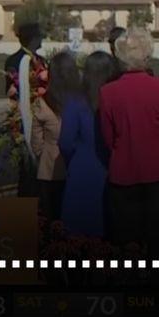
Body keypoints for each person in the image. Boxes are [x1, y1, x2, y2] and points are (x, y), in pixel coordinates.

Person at [100, 28, 159, 257]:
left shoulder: (107, 92)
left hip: (123, 173)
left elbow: (108, 138)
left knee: (127, 243)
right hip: (158, 170)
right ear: (147, 54)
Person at [61, 51, 114, 237]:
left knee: (79, 233)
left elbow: (65, 142)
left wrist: (72, 161)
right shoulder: (116, 99)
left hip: (82, 169)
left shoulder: (75, 101)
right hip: (111, 168)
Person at [5, 22, 47, 200]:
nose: (43, 39)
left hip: (42, 117)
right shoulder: (14, 61)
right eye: (40, 35)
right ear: (33, 38)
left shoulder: (41, 60)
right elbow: (11, 92)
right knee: (27, 167)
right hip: (23, 118)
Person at [33, 51, 73, 221]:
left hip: (49, 167)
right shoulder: (79, 101)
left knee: (51, 217)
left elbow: (36, 139)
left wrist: (43, 154)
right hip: (73, 167)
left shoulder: (42, 102)